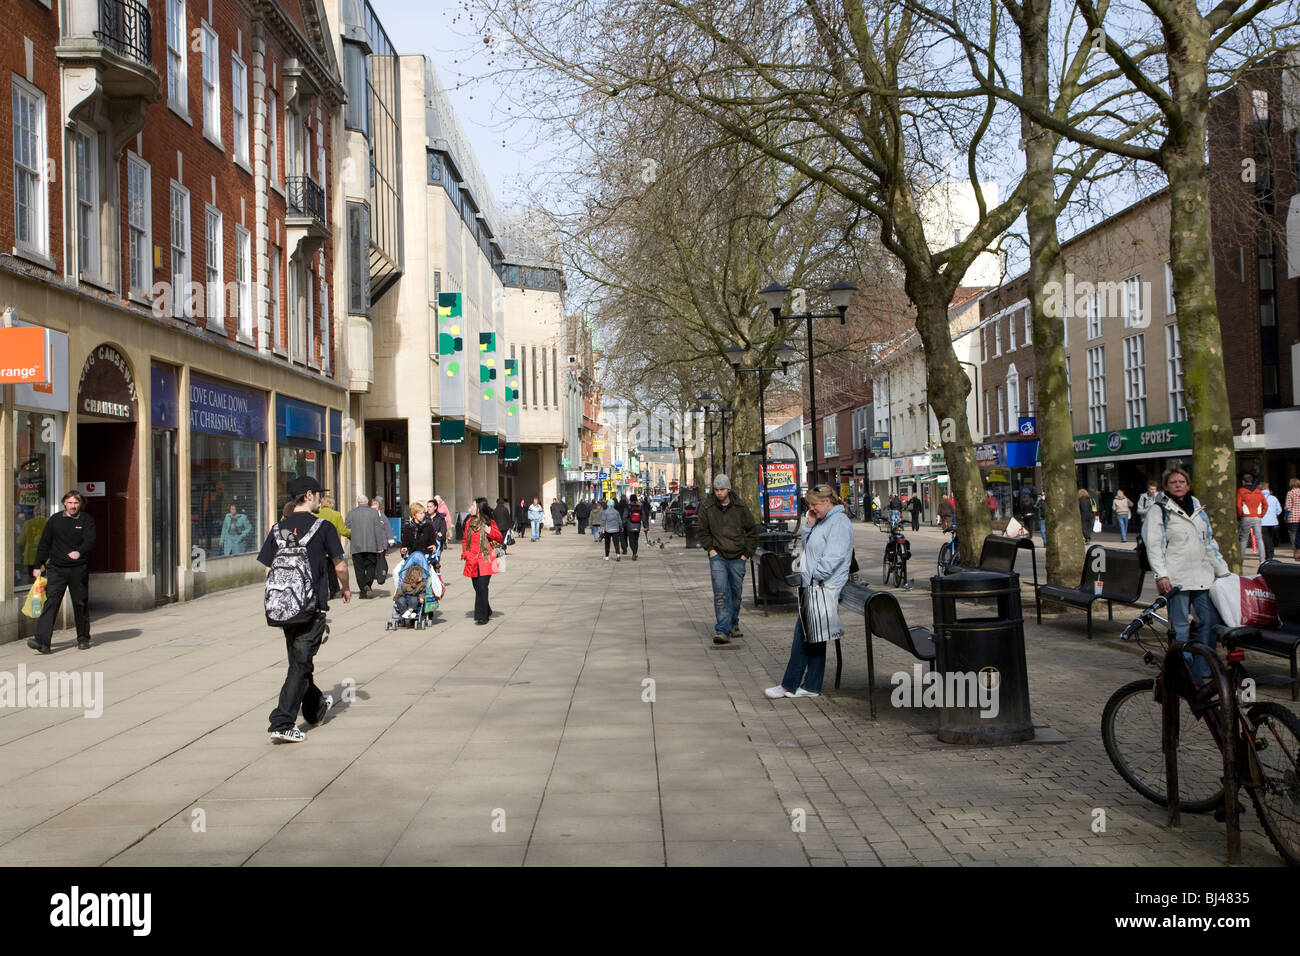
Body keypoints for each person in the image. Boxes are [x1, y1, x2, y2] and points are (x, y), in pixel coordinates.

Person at [257, 476, 350, 743]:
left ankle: (316, 707)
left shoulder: (279, 529)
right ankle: (282, 721)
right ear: (308, 495)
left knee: (300, 662)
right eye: (319, 493)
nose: (321, 498)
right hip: (312, 607)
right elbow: (340, 566)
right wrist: (345, 588)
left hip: (284, 608)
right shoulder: (322, 527)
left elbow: (267, 569)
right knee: (300, 663)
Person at [1143, 466, 1231, 683]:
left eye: (1182, 482)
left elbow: (1209, 542)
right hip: (1177, 579)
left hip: (1203, 577)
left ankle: (1204, 668)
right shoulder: (1159, 510)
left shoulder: (1199, 509)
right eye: (1173, 482)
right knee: (1180, 627)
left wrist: (1224, 572)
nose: (1178, 485)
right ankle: (1186, 671)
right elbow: (1154, 545)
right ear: (1166, 486)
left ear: (1188, 484)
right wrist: (1161, 575)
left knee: (1209, 622)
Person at [765, 485, 853, 699]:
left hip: (823, 586)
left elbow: (835, 555)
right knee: (814, 637)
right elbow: (810, 546)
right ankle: (812, 685)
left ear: (827, 502)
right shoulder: (823, 521)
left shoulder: (839, 522)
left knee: (802, 636)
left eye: (814, 505)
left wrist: (817, 576)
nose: (811, 508)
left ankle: (788, 685)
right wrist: (809, 526)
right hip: (815, 585)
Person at [29, 490, 97, 653]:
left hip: (77, 568)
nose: (73, 506)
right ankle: (42, 641)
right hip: (57, 569)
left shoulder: (86, 520)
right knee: (51, 602)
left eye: (76, 503)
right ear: (64, 503)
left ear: (80, 504)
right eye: (70, 502)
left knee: (80, 602)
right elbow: (45, 543)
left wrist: (79, 552)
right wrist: (38, 566)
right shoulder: (55, 520)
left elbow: (90, 540)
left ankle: (83, 638)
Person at [697, 474, 759, 645]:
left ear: (729, 490)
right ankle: (722, 629)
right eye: (716, 490)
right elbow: (702, 530)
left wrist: (746, 553)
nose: (719, 493)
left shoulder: (740, 507)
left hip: (738, 555)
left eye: (722, 490)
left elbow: (752, 530)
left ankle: (733, 623)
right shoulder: (707, 507)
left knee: (736, 592)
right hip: (718, 555)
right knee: (721, 592)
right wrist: (710, 549)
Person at [462, 500, 503, 624]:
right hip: (472, 559)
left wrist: (489, 530)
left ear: (479, 508)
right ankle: (487, 609)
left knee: (482, 587)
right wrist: (465, 552)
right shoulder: (469, 522)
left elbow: (499, 537)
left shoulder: (489, 522)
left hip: (486, 558)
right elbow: (465, 539)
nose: (471, 507)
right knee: (477, 587)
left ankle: (482, 616)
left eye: (473, 505)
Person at [346, 494, 388, 598]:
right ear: (367, 502)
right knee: (371, 566)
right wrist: (380, 546)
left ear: (358, 502)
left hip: (356, 546)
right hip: (371, 545)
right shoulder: (374, 513)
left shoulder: (351, 513)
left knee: (359, 569)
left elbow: (347, 529)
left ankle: (363, 590)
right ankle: (368, 584)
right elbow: (378, 531)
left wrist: (352, 537)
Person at [319, 493, 351, 598]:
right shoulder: (336, 515)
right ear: (331, 503)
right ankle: (334, 591)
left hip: (319, 547)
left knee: (320, 571)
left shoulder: (315, 514)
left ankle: (322, 591)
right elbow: (343, 531)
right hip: (331, 547)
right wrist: (352, 534)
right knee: (332, 569)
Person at [1236, 473, 1266, 561]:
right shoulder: (1258, 491)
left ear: (1243, 481)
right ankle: (1262, 559)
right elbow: (1265, 504)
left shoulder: (1241, 491)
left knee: (1244, 538)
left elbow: (1238, 505)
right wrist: (1261, 514)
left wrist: (1240, 514)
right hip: (1257, 517)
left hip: (1246, 516)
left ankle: (1241, 559)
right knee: (1259, 538)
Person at [1259, 481, 1281, 562]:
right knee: (1270, 538)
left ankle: (1266, 554)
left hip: (1262, 521)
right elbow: (1279, 510)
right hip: (1273, 521)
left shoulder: (1259, 497)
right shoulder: (1273, 498)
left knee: (1264, 539)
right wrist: (1274, 514)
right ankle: (1271, 554)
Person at [624, 494, 645, 559]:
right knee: (636, 540)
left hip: (630, 526)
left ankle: (634, 553)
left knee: (631, 541)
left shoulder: (628, 506)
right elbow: (644, 516)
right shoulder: (640, 506)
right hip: (638, 525)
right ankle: (635, 553)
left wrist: (622, 525)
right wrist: (645, 526)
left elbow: (624, 516)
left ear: (630, 499)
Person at [1286, 478, 1300, 555]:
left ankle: (1296, 552)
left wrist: (1286, 516)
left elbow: (1288, 506)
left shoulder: (1290, 493)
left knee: (1293, 535)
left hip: (1293, 517)